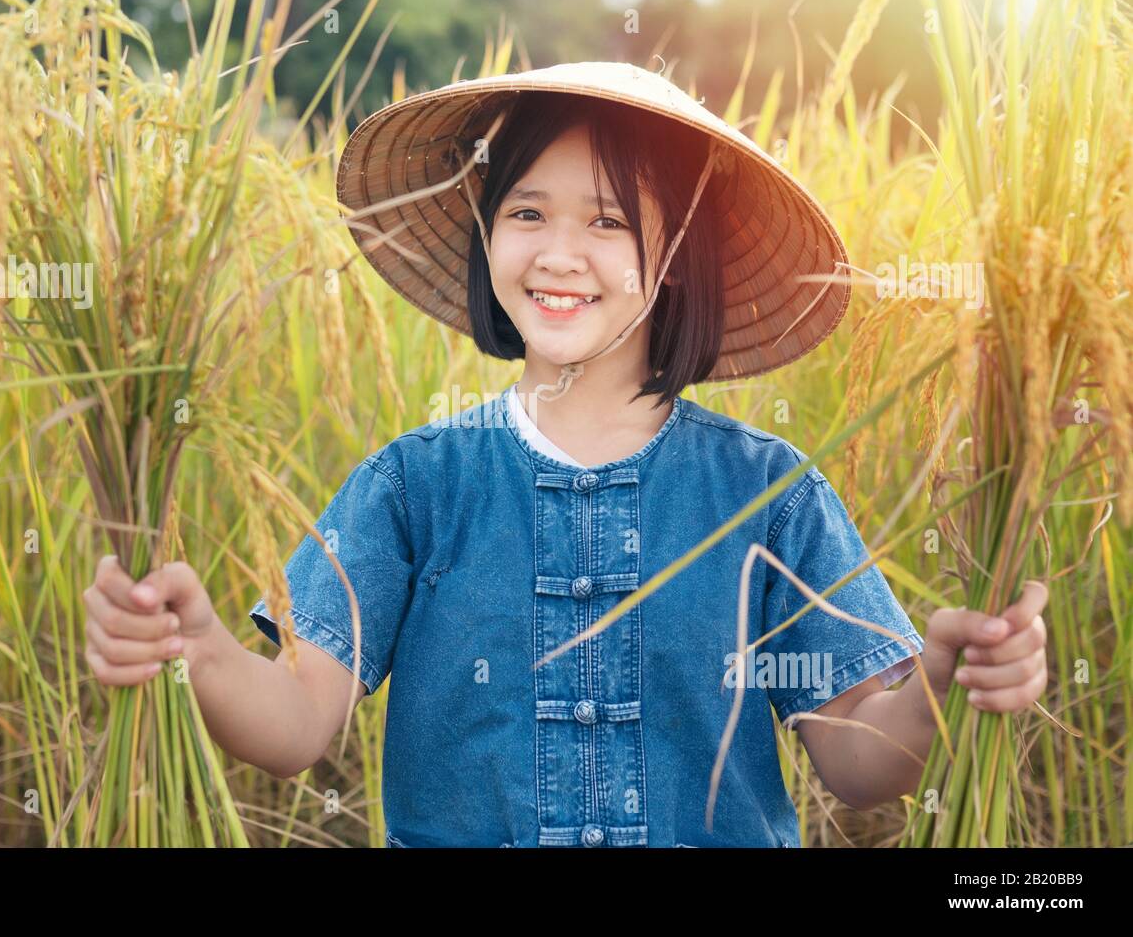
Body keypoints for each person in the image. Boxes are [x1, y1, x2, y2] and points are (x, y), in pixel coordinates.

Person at [83, 62, 1050, 847]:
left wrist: (940, 688)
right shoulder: (414, 487)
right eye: (528, 213)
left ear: (678, 257)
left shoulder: (769, 493)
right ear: (488, 234)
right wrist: (195, 647)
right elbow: (296, 725)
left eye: (609, 221)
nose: (558, 254)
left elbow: (858, 764)